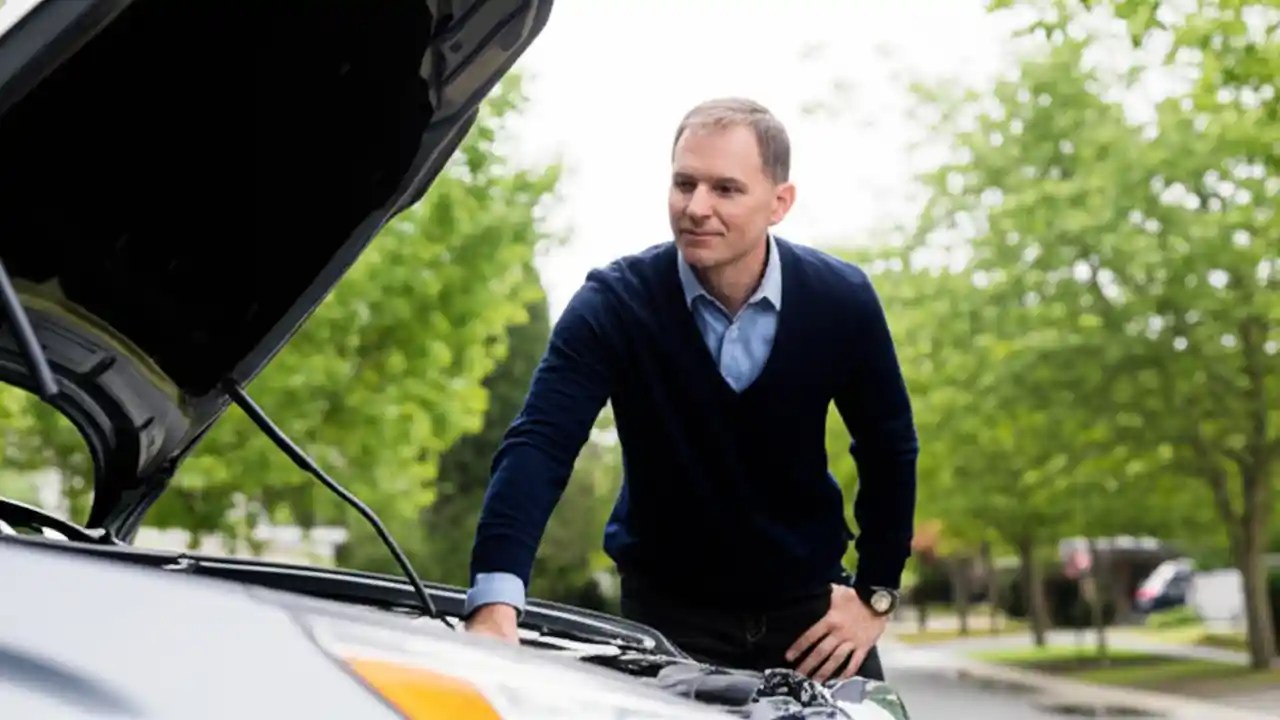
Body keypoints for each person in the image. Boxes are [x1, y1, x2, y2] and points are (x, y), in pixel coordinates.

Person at [463, 97, 918, 684]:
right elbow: (540, 446)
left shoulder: (842, 300)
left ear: (779, 202)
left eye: (726, 189)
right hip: (665, 622)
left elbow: (888, 449)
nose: (696, 207)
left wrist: (875, 593)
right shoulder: (613, 304)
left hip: (812, 622)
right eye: (684, 183)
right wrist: (495, 603)